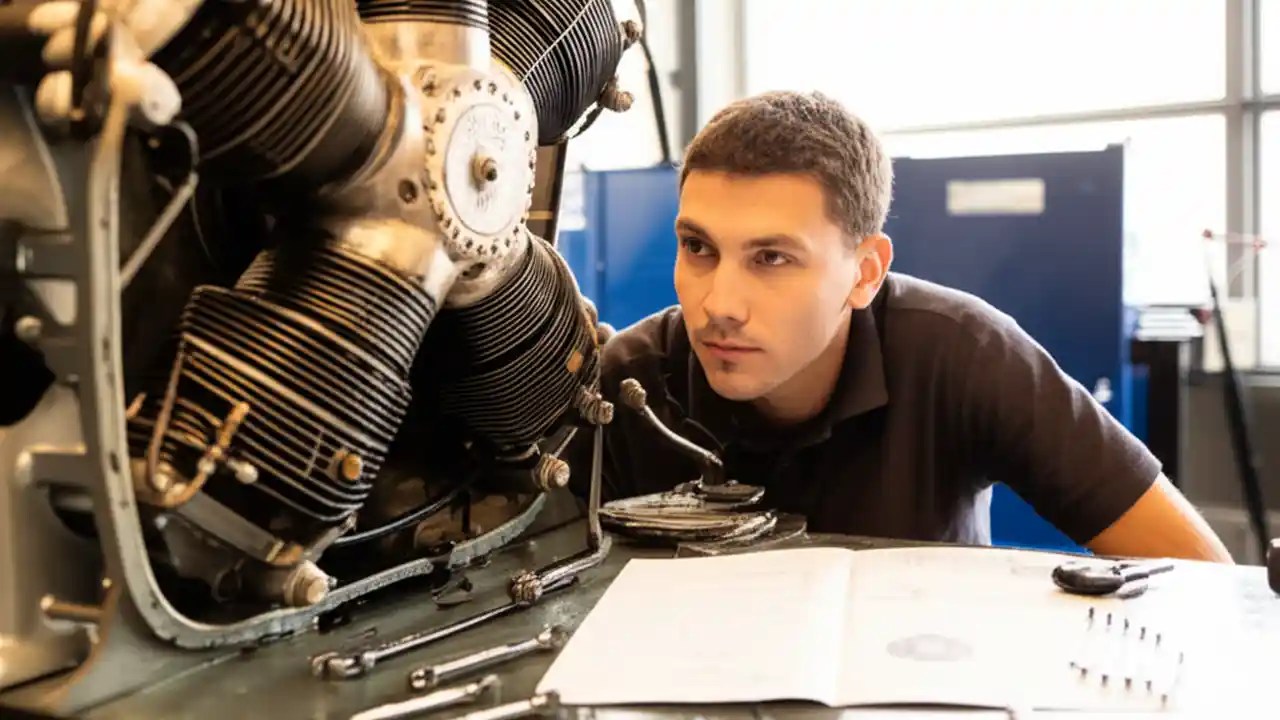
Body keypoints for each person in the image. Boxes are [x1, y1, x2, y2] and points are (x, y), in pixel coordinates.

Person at [565, 90, 1232, 563]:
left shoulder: (964, 354)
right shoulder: (633, 384)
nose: (719, 305)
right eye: (700, 248)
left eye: (771, 257)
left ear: (865, 272)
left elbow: (1200, 571)